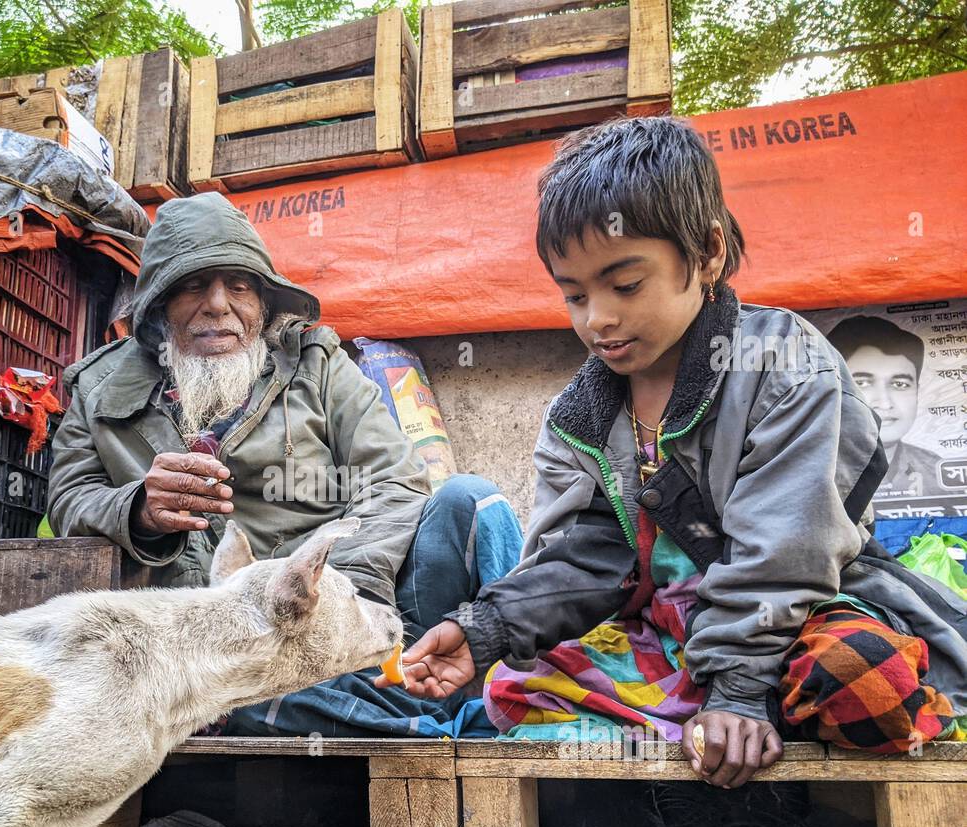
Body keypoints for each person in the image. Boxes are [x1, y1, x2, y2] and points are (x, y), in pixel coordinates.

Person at [380, 116, 967, 785]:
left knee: (860, 677)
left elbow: (788, 551)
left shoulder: (783, 365)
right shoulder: (579, 418)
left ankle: (745, 716)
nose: (596, 316)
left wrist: (741, 690)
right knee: (515, 685)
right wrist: (486, 627)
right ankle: (704, 728)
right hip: (668, 636)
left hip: (796, 617)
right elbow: (586, 557)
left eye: (624, 284)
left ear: (707, 251)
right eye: (574, 294)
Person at [48, 192, 522, 737]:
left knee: (470, 499)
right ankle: (447, 727)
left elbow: (394, 478)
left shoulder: (319, 365)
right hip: (216, 631)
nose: (218, 304)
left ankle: (475, 699)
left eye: (240, 286)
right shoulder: (97, 386)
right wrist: (140, 510)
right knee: (223, 693)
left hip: (348, 603)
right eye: (193, 286)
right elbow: (68, 499)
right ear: (158, 307)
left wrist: (337, 590)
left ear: (264, 305)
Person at [829, 315, 944, 499]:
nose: (884, 403)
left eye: (900, 384)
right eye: (863, 383)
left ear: (917, 392)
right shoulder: (807, 471)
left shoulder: (934, 469)